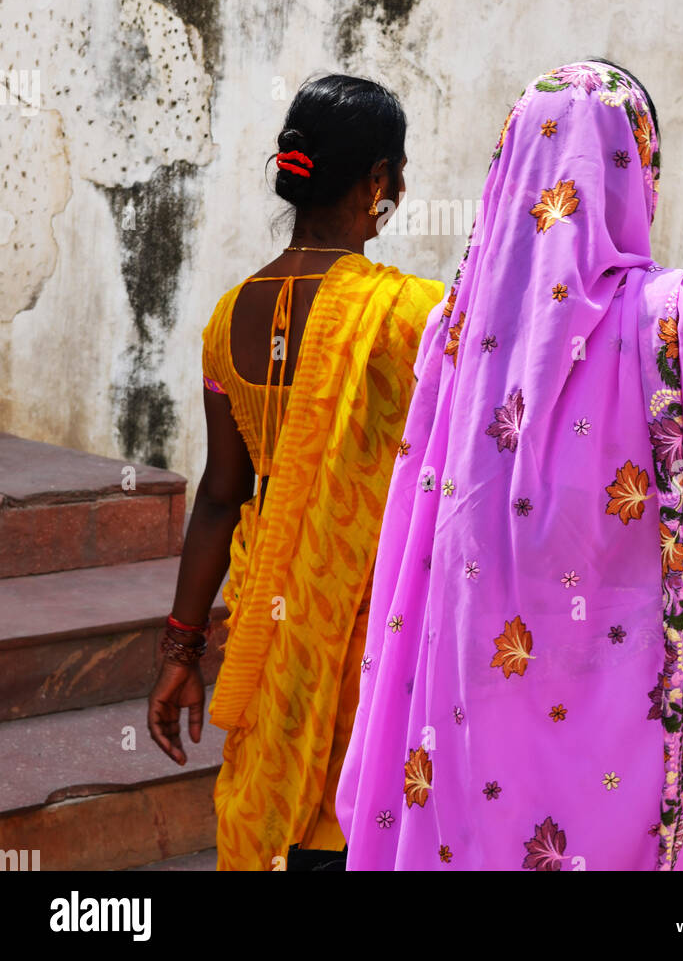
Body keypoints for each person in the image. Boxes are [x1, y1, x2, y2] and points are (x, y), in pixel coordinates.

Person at [336, 60, 683, 871]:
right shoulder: (676, 319)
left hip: (472, 712)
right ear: (638, 177)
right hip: (615, 715)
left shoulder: (456, 328)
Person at [146, 73, 443, 872]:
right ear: (377, 179)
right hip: (367, 614)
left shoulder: (226, 315)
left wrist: (180, 651)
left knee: (275, 816)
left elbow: (219, 496)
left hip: (264, 616)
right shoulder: (414, 315)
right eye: (398, 174)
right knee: (355, 823)